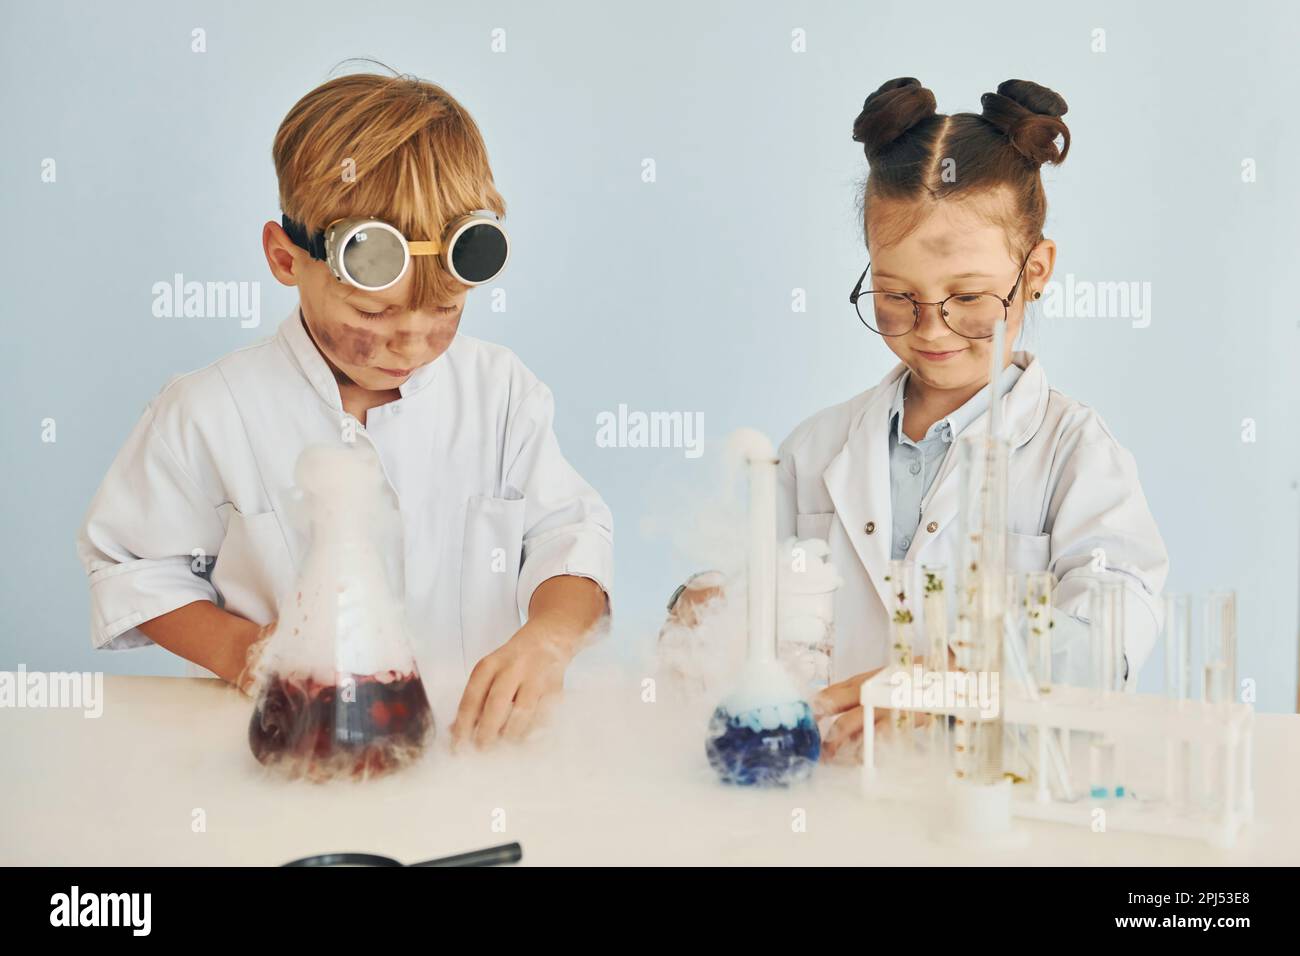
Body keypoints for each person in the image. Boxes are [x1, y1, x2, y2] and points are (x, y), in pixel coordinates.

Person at [76, 71, 613, 748]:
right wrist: (256, 656)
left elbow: (570, 537)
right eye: (373, 311)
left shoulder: (501, 393)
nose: (413, 340)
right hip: (296, 747)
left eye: (445, 308)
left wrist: (549, 638)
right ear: (284, 257)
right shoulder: (210, 411)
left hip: (475, 752)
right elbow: (133, 566)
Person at [668, 77, 1168, 762]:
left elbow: (1111, 634)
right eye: (895, 296)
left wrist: (949, 687)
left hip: (998, 797)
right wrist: (703, 609)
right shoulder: (817, 450)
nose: (932, 329)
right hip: (836, 799)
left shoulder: (1076, 456)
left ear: (1037, 270)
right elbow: (742, 612)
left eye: (968, 297)